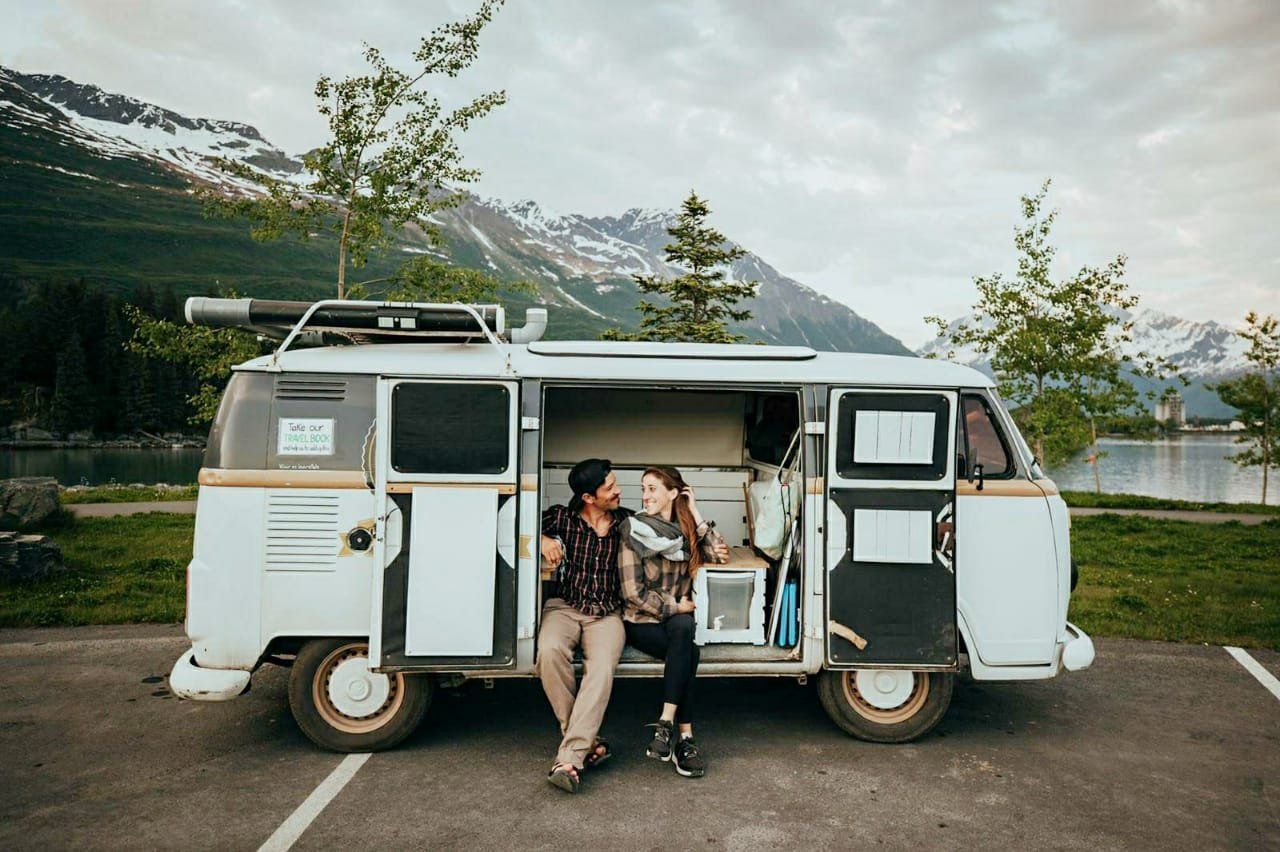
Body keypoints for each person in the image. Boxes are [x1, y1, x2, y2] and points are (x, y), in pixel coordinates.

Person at [618, 466, 729, 779]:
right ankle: (687, 740)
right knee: (688, 650)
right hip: (641, 621)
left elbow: (719, 555)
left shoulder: (686, 531)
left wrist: (694, 510)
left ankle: (666, 725)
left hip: (677, 624)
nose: (645, 495)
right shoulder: (634, 530)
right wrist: (675, 605)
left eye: (653, 488)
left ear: (672, 493)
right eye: (643, 489)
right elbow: (632, 594)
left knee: (683, 630)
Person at [538, 458, 632, 794]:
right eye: (610, 488)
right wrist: (542, 539)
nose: (618, 491)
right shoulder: (561, 517)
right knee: (548, 653)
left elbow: (666, 533)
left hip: (607, 614)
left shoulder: (626, 522)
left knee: (602, 669)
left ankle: (570, 758)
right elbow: (515, 518)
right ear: (589, 497)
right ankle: (584, 742)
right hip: (565, 606)